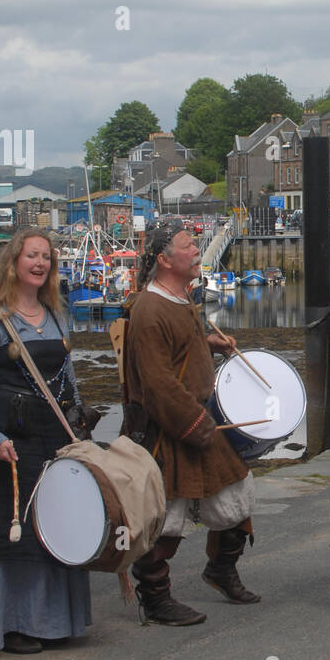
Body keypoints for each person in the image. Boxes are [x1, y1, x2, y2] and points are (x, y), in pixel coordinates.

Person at [0, 228, 93, 655]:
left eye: (46, 257)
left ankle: (55, 623)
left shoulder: (54, 316)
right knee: (15, 535)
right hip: (8, 449)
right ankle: (13, 626)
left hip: (53, 443)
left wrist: (80, 430)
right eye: (32, 255)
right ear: (14, 263)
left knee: (54, 527)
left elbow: (67, 381)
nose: (40, 263)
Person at [122, 221, 259, 626]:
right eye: (188, 245)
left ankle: (220, 570)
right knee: (165, 518)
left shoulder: (181, 298)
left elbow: (180, 350)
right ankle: (156, 597)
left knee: (237, 497)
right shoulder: (149, 309)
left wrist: (208, 343)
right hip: (170, 430)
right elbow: (158, 385)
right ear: (164, 259)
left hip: (196, 420)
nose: (198, 249)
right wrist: (197, 426)